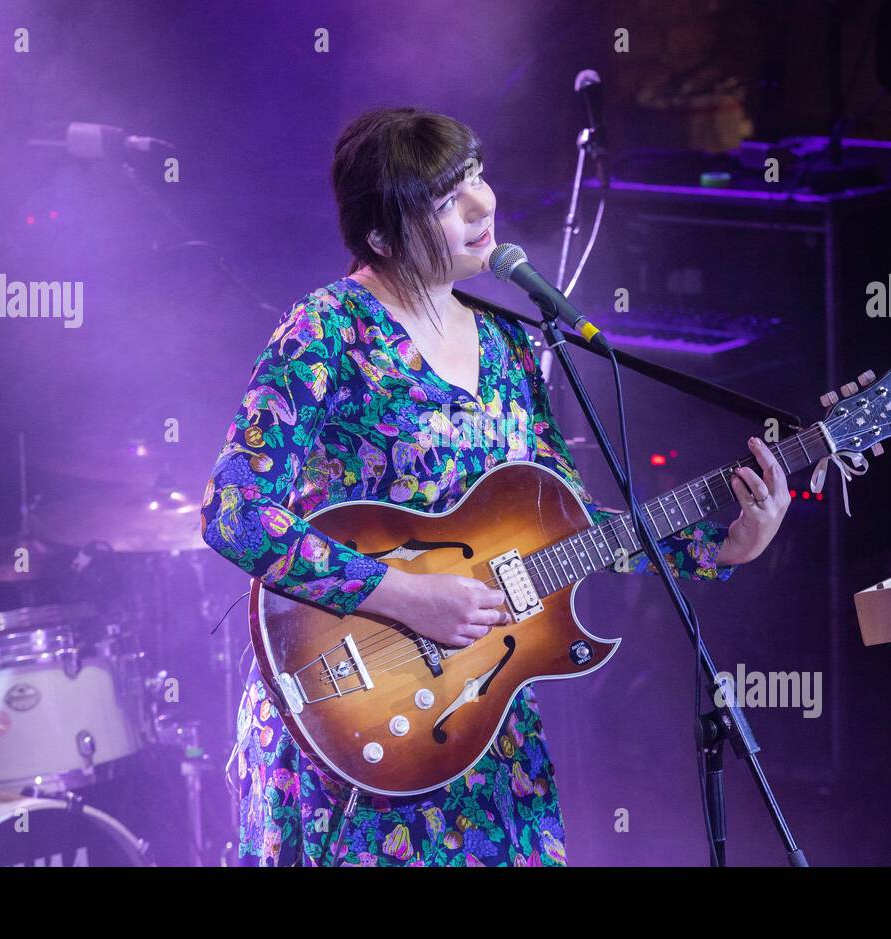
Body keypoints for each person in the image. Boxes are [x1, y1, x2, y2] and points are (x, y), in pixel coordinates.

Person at [200, 106, 790, 866]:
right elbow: (234, 513)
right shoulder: (327, 332)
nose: (485, 206)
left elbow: (570, 528)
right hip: (347, 721)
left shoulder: (510, 344)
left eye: (475, 177)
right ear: (382, 236)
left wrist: (725, 543)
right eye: (448, 200)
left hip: (479, 726)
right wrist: (402, 593)